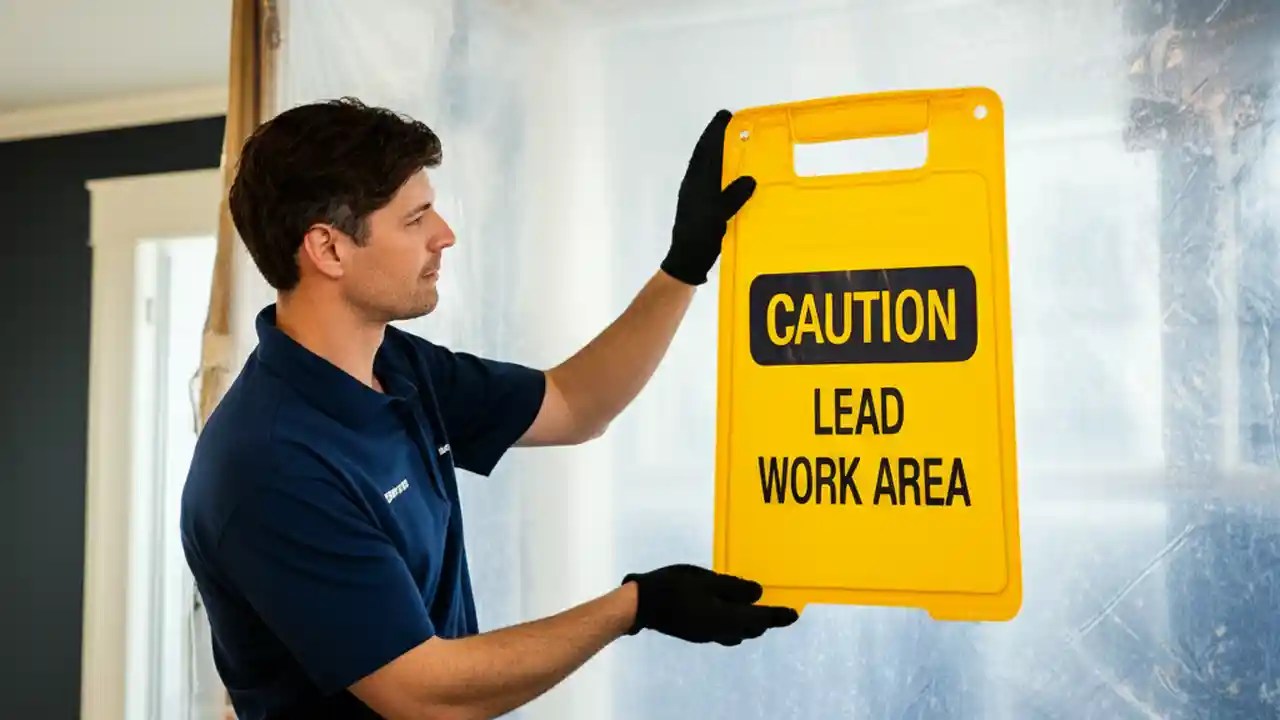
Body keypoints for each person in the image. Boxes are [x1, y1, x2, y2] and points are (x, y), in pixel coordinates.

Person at [179, 97, 797, 720]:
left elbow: (576, 404)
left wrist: (684, 264)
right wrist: (635, 607)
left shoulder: (397, 366)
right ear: (329, 250)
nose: (445, 235)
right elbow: (422, 691)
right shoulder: (270, 464)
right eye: (415, 218)